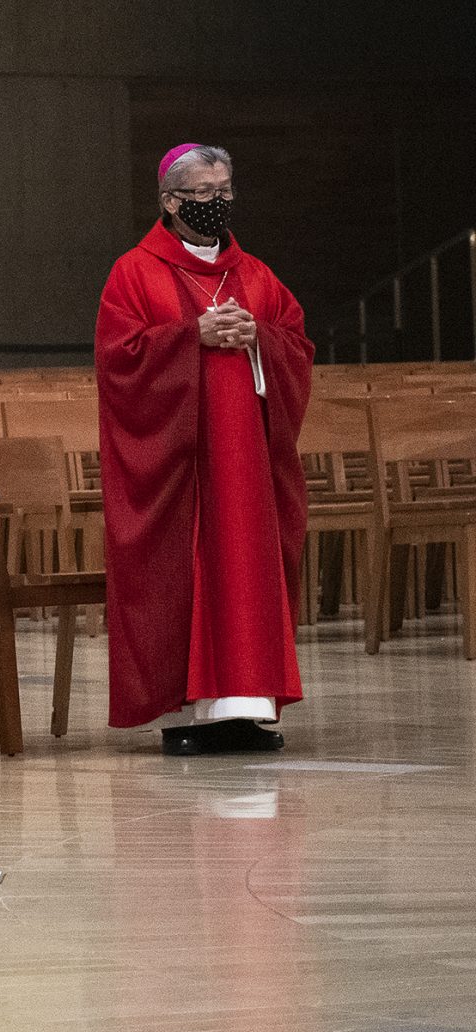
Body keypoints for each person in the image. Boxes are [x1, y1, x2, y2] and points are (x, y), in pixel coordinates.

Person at [98, 144, 311, 755]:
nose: (217, 202)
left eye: (224, 191)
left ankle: (244, 708)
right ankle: (185, 714)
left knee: (244, 570)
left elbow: (297, 345)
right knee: (182, 575)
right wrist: (189, 336)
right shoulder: (133, 273)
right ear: (170, 201)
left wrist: (260, 338)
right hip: (178, 466)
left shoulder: (256, 275)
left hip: (246, 463)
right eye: (202, 192)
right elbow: (118, 362)